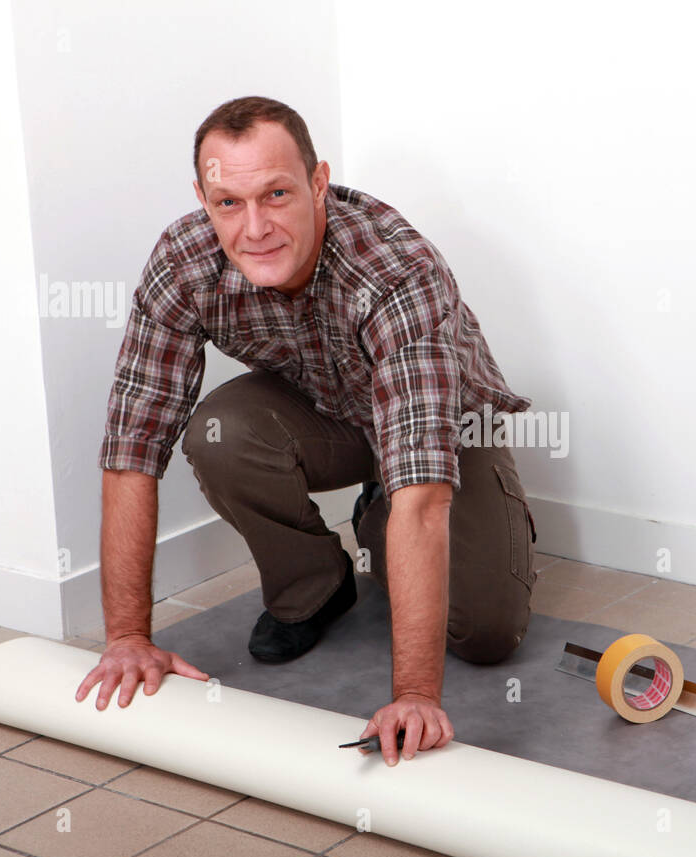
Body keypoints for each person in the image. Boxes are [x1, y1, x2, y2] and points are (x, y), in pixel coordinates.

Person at [74, 96, 536, 766]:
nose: (254, 226)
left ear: (318, 183)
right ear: (202, 197)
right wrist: (127, 637)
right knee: (219, 432)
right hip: (326, 412)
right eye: (228, 201)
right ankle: (313, 587)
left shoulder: (395, 267)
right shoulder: (183, 262)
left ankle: (379, 516)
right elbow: (131, 452)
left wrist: (413, 694)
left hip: (439, 431)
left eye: (277, 194)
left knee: (486, 633)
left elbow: (427, 494)